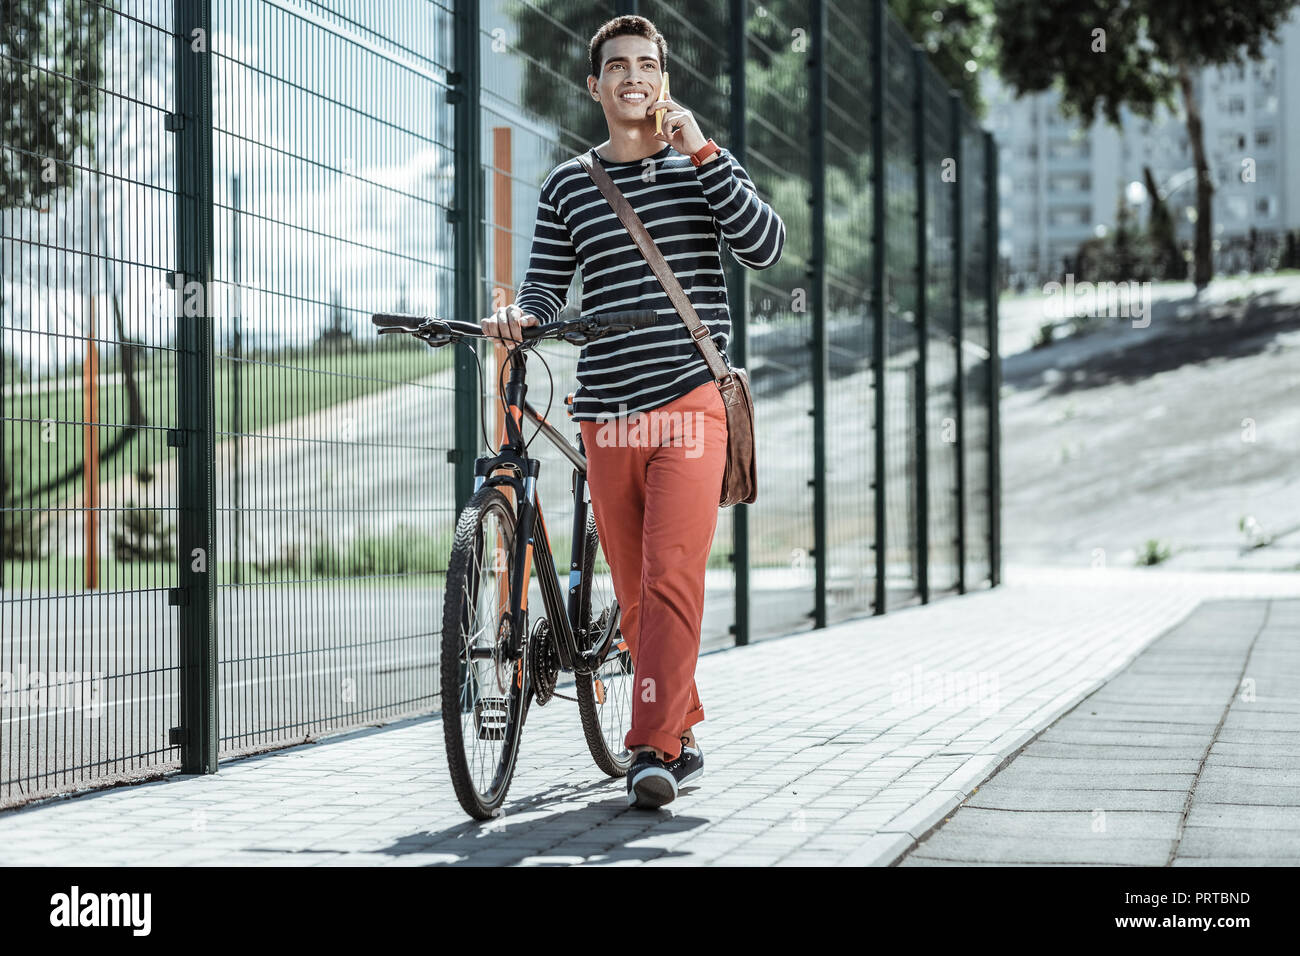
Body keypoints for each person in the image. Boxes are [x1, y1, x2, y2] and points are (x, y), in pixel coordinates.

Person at [480, 14, 785, 809]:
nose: (633, 78)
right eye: (616, 67)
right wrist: (522, 313)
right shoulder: (567, 186)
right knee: (637, 590)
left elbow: (765, 246)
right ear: (595, 86)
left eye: (647, 65)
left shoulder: (702, 165)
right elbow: (547, 285)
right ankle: (680, 731)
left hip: (691, 400)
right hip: (607, 412)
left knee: (672, 573)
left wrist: (704, 153)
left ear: (664, 80)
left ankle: (648, 748)